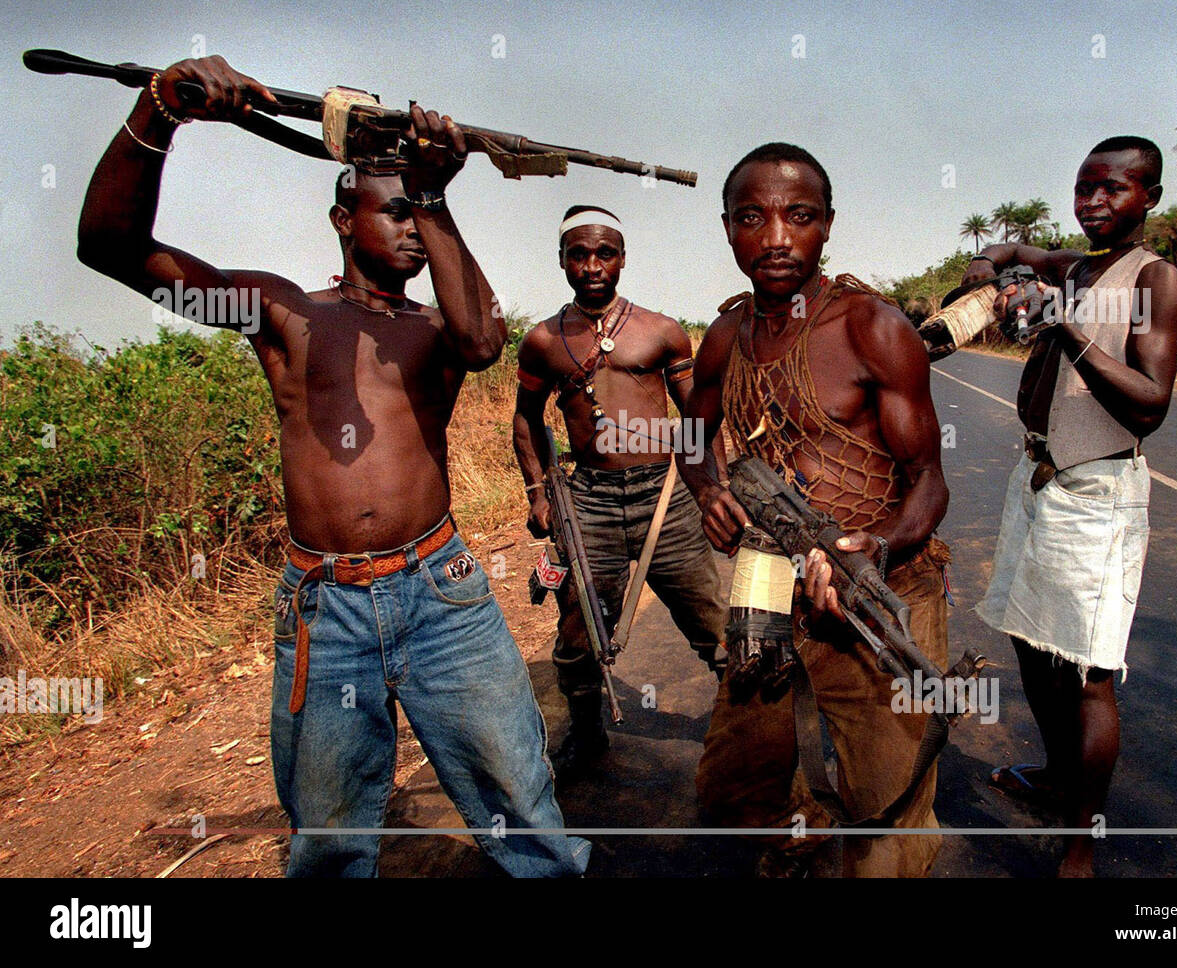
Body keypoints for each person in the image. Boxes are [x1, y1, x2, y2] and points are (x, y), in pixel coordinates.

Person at [76, 54, 587, 877]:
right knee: (331, 838)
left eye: (419, 215)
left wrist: (434, 191)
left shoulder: (436, 327)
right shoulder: (283, 314)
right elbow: (108, 248)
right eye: (392, 213)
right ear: (343, 219)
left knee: (522, 807)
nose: (412, 232)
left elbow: (485, 341)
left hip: (441, 594)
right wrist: (160, 114)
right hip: (327, 609)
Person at [680, 143, 952, 876]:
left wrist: (878, 548)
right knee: (737, 781)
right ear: (728, 228)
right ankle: (795, 838)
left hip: (876, 588)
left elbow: (929, 479)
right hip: (766, 582)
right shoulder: (726, 337)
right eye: (751, 217)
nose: (774, 237)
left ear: (827, 225)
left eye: (797, 216)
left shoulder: (872, 326)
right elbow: (690, 435)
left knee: (887, 811)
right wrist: (709, 491)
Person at [965, 135, 1177, 877]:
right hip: (1037, 481)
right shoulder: (1071, 265)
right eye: (1084, 188)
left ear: (1148, 198)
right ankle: (1061, 778)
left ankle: (1080, 844)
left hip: (1097, 489)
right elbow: (1010, 248)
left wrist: (1067, 327)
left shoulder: (1153, 279)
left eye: (1113, 190)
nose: (1094, 202)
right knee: (1030, 642)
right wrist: (983, 270)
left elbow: (1151, 406)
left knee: (1092, 673)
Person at [513, 205, 728, 779]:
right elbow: (527, 420)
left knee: (717, 629)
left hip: (666, 499)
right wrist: (539, 492)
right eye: (578, 254)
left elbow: (698, 420)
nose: (591, 265)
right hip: (590, 501)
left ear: (622, 258)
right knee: (581, 635)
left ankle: (747, 734)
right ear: (562, 260)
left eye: (604, 252)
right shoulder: (541, 341)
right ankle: (586, 737)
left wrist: (715, 489)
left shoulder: (660, 330)